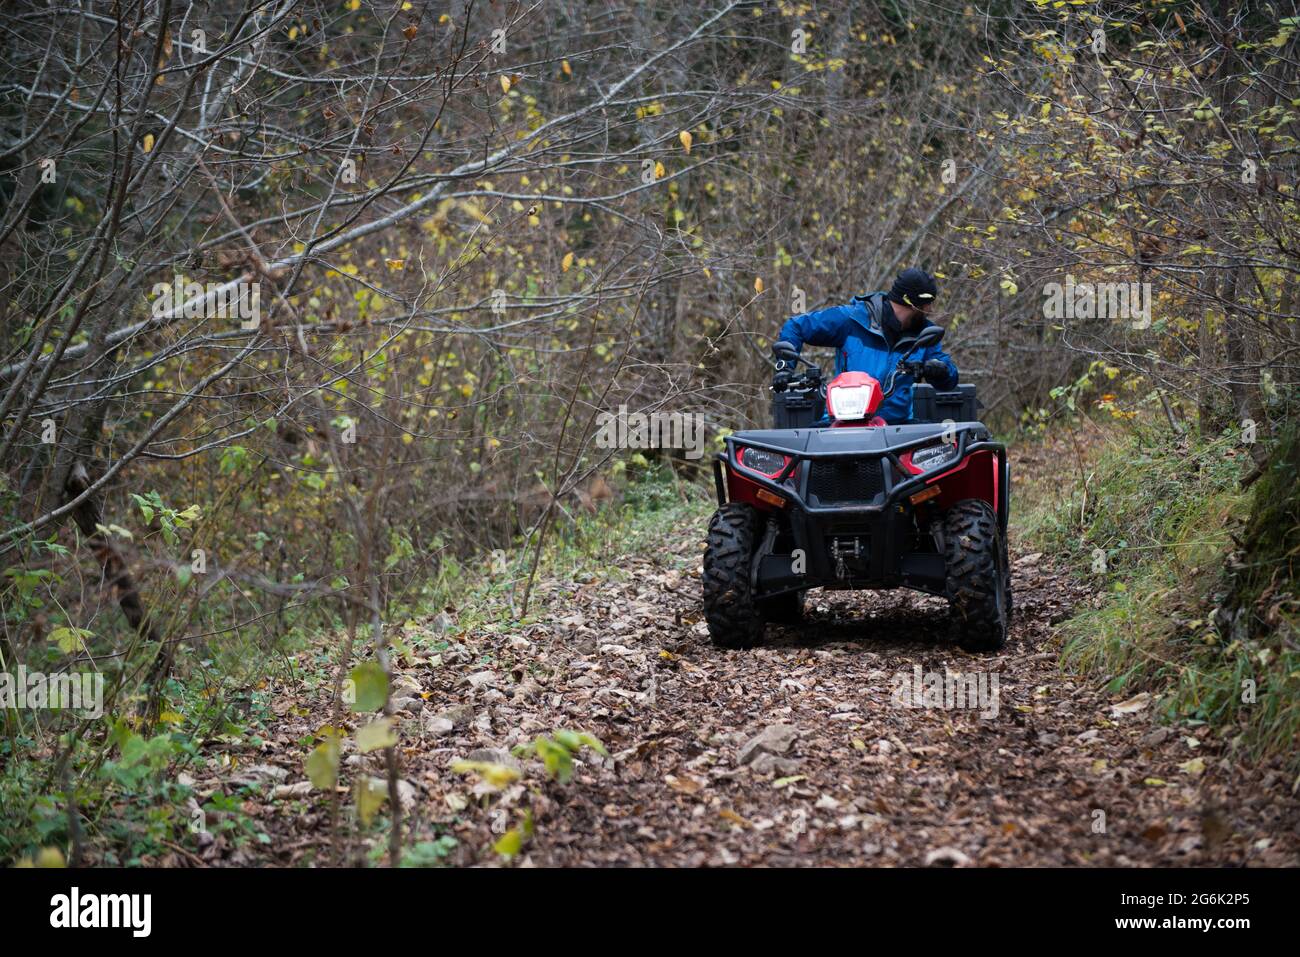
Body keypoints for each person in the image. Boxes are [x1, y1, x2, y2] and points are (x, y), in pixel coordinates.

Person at [771, 267, 958, 424]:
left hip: (898, 428)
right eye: (927, 304)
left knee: (943, 453)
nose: (930, 310)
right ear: (913, 303)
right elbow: (795, 326)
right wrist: (784, 367)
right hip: (841, 421)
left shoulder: (925, 334)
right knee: (802, 457)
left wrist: (940, 370)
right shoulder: (852, 320)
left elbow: (948, 379)